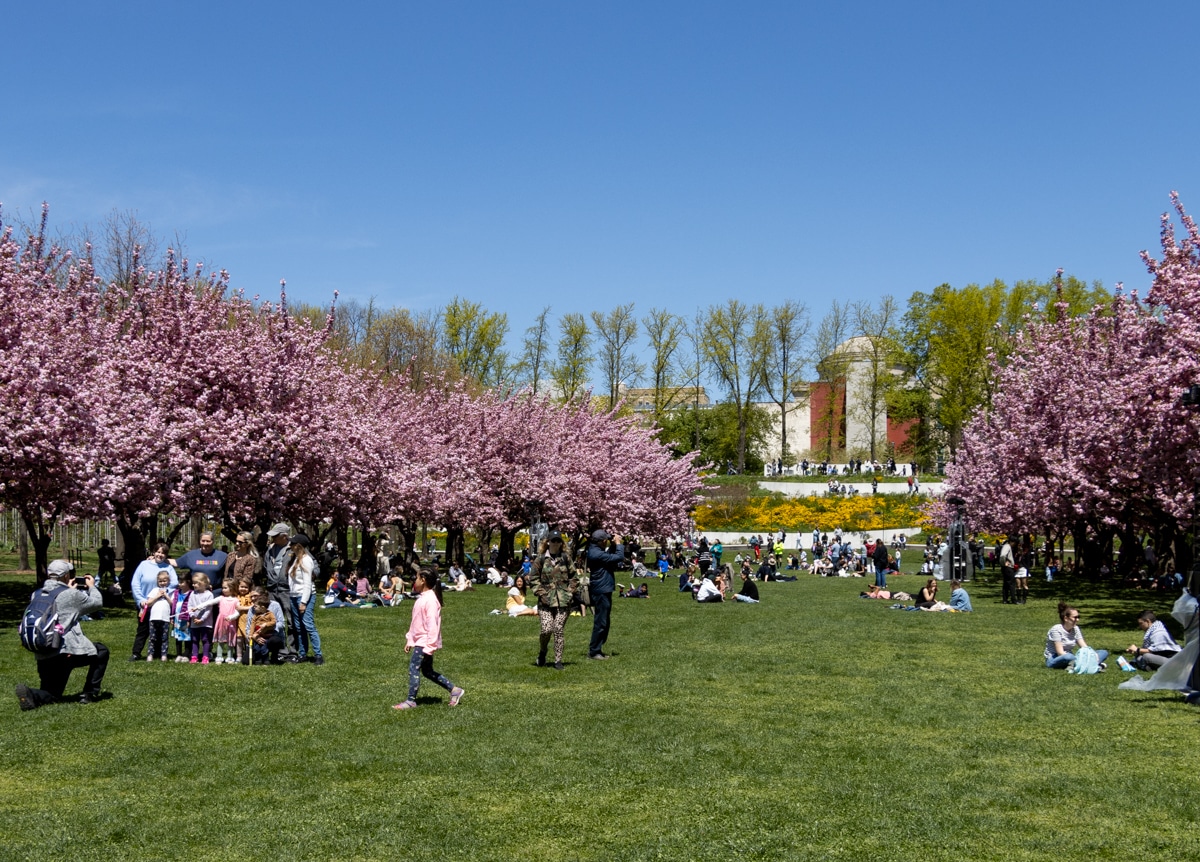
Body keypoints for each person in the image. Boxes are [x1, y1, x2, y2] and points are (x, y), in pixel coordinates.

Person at [15, 560, 110, 709]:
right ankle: (89, 693)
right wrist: (91, 586)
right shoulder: (71, 594)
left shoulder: (36, 594)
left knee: (52, 694)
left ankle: (31, 694)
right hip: (66, 651)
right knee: (101, 652)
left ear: (49, 575)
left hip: (43, 651)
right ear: (66, 576)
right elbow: (97, 603)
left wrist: (68, 589)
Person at [393, 568, 464, 710]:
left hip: (425, 643)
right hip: (420, 641)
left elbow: (433, 625)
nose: (414, 581)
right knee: (427, 671)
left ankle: (411, 701)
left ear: (423, 580)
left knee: (414, 668)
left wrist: (430, 646)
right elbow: (416, 622)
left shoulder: (430, 600)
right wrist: (410, 640)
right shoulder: (423, 598)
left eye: (416, 578)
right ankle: (455, 690)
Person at [532, 532, 577, 669]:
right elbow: (533, 579)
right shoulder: (540, 559)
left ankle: (558, 660)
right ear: (548, 542)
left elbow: (574, 577)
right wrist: (541, 593)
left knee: (558, 629)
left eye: (558, 541)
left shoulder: (565, 558)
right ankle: (543, 651)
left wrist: (570, 592)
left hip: (563, 601)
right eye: (553, 541)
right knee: (546, 630)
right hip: (545, 601)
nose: (555, 543)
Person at [129, 543, 178, 661]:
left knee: (160, 629)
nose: (160, 555)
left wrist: (164, 592)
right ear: (153, 552)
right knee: (143, 629)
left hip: (160, 604)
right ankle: (136, 653)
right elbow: (135, 583)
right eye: (158, 552)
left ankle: (157, 652)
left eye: (163, 553)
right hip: (146, 603)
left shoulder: (168, 568)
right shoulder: (144, 565)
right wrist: (140, 600)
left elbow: (174, 583)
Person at [261, 523, 300, 661]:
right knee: (274, 620)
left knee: (291, 621)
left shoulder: (294, 548)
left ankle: (293, 651)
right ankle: (279, 651)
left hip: (287, 590)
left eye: (275, 536)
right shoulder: (270, 549)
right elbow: (266, 565)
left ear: (284, 536)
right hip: (272, 589)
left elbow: (312, 564)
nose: (273, 538)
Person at [586, 529, 624, 660]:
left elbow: (609, 558)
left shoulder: (596, 550)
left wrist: (613, 546)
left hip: (603, 589)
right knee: (601, 622)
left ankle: (597, 649)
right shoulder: (596, 553)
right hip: (601, 590)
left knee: (604, 621)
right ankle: (594, 651)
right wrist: (618, 544)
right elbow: (618, 558)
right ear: (602, 541)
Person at [288, 533, 324, 665]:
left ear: (298, 546)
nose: (290, 545)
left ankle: (318, 655)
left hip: (304, 596)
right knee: (298, 627)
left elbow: (308, 584)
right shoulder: (295, 559)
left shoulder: (306, 560)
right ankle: (302, 654)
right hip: (294, 596)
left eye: (292, 543)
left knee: (308, 625)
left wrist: (303, 602)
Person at [1045, 602, 1109, 669]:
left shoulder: (1075, 629)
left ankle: (1083, 665)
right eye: (1075, 617)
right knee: (1069, 657)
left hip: (1071, 658)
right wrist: (1078, 659)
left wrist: (1093, 655)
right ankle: (1092, 665)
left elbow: (1084, 647)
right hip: (1055, 658)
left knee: (1103, 652)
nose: (1077, 620)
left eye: (1078, 617)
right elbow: (1060, 652)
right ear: (1066, 618)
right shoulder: (1056, 629)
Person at [175, 532, 228, 596]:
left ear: (213, 541)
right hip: (196, 593)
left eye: (208, 541)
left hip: (215, 593)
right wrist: (163, 558)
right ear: (199, 541)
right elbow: (176, 563)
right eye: (203, 541)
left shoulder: (223, 556)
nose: (205, 543)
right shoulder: (191, 555)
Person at [144, 570, 173, 661]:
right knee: (152, 637)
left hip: (165, 618)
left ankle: (163, 654)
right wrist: (157, 596)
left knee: (164, 637)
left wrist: (166, 596)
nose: (162, 583)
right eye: (160, 581)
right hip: (154, 617)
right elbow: (148, 603)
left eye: (164, 581)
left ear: (168, 581)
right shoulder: (154, 590)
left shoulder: (171, 591)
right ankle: (150, 654)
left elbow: (172, 604)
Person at [187, 573, 216, 664]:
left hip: (205, 622)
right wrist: (192, 616)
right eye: (193, 583)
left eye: (196, 583)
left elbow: (208, 609)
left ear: (203, 583)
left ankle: (205, 656)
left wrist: (202, 619)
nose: (193, 585)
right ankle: (194, 656)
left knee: (205, 639)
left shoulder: (209, 595)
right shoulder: (192, 593)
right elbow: (189, 605)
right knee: (195, 639)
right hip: (194, 621)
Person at [211, 578, 241, 663]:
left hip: (230, 623)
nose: (223, 590)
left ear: (232, 588)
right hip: (221, 622)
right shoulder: (221, 598)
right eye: (223, 588)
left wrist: (231, 617)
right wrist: (199, 607)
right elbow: (210, 602)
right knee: (220, 640)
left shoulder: (236, 600)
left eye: (225, 588)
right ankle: (219, 656)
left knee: (230, 639)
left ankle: (230, 657)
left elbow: (237, 612)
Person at [999, 537, 1017, 604]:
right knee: (1011, 583)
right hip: (1008, 567)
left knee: (1006, 583)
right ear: (1012, 542)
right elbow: (1003, 555)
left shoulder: (1006, 546)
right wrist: (1004, 563)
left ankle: (1005, 599)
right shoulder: (1007, 546)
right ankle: (1013, 599)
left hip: (1006, 568)